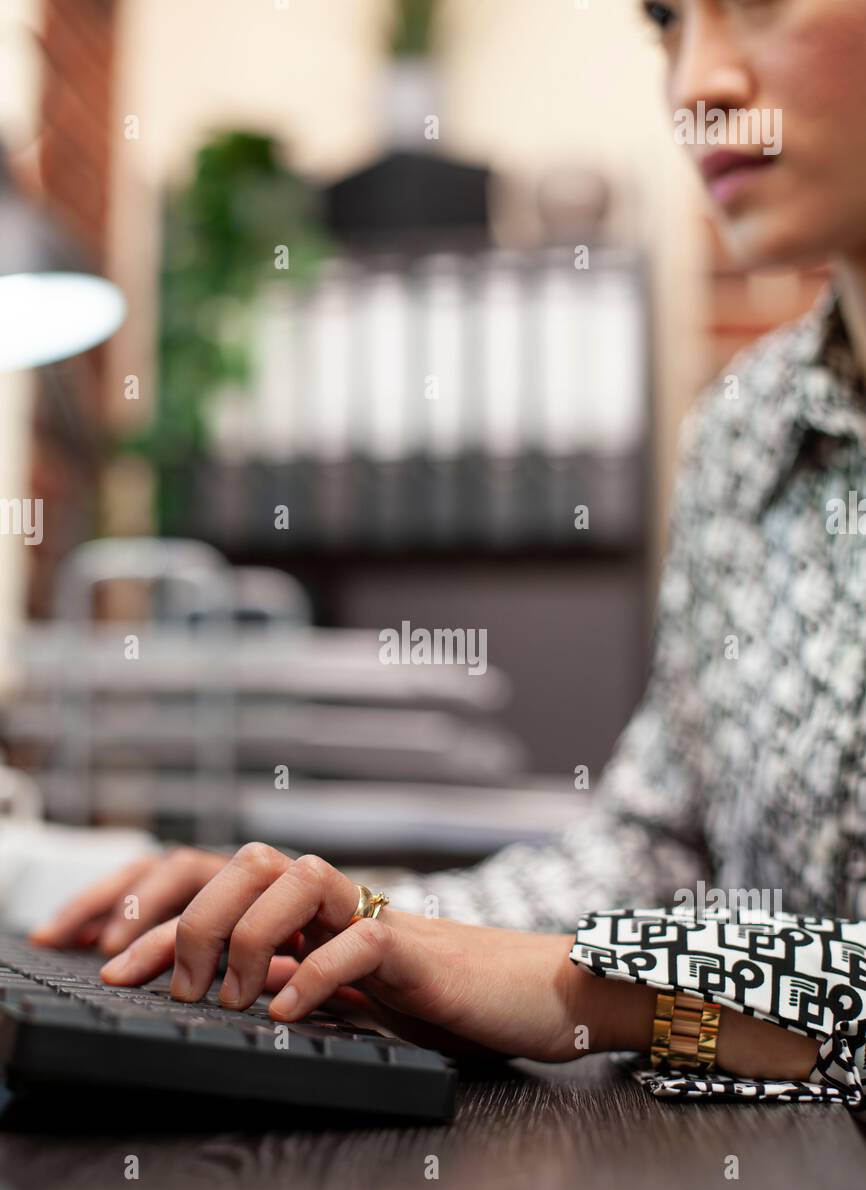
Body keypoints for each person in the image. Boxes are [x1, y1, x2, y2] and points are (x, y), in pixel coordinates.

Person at [31, 0, 866, 1110]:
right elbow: (658, 849)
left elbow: (593, 976)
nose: (692, 83)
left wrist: (590, 994)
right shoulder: (742, 430)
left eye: (755, 4)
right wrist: (361, 923)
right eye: (664, 23)